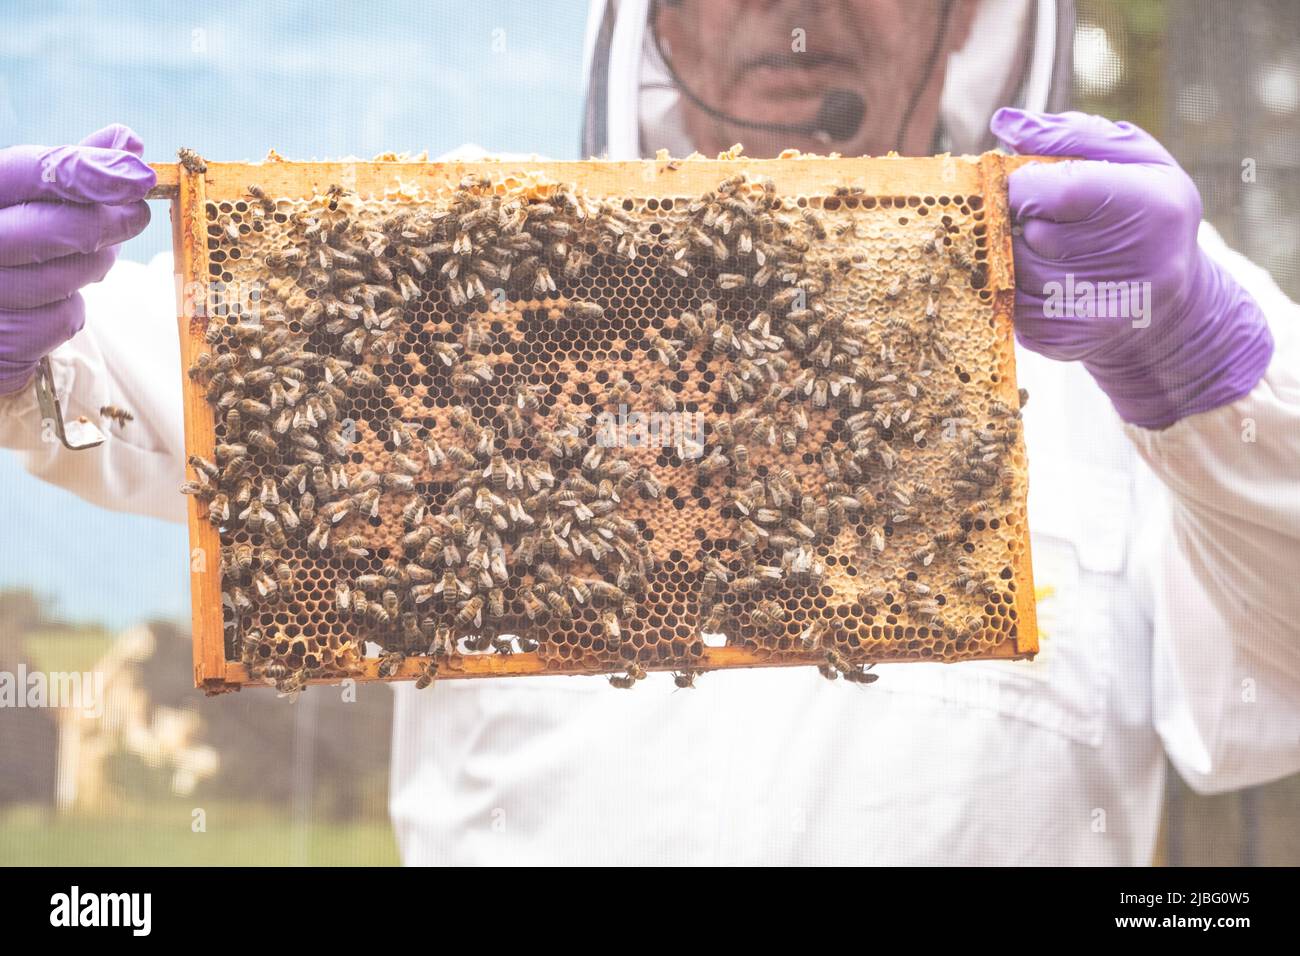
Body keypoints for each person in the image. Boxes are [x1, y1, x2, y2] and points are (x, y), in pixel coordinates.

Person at [1, 0, 1296, 864]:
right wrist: (27, 338)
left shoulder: (1130, 301)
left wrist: (1201, 367)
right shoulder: (475, 273)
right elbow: (134, 380)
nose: (793, 12)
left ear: (965, 18)